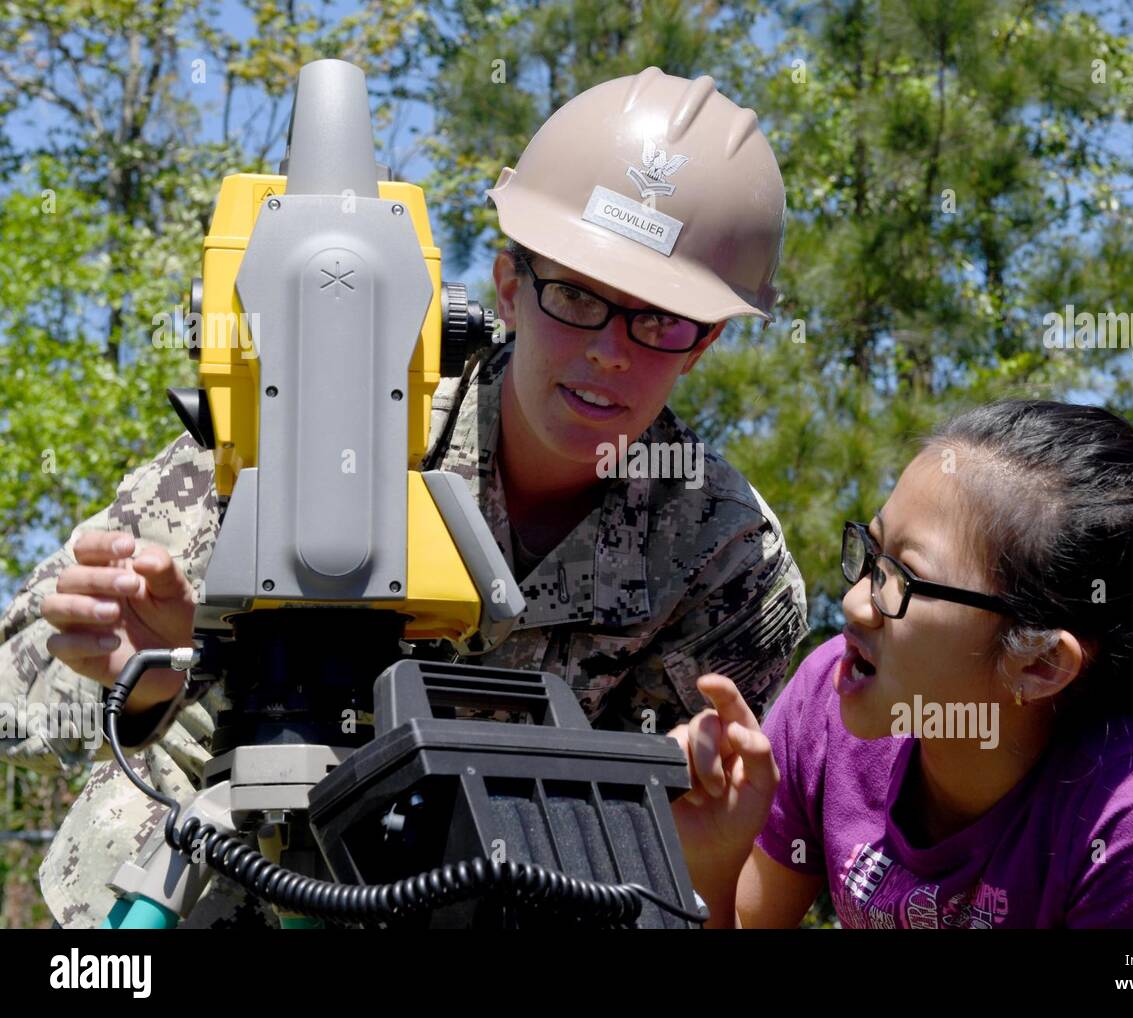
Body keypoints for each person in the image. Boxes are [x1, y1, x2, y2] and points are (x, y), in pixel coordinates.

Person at [0, 66, 808, 928]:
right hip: (189, 892)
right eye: (575, 294)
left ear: (705, 342)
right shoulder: (314, 409)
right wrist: (146, 678)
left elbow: (680, 867)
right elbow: (23, 687)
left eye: (658, 318)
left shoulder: (726, 562)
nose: (609, 349)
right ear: (506, 286)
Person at [668, 400, 1133, 928]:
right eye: (871, 553)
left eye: (905, 580)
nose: (856, 602)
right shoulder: (830, 701)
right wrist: (713, 862)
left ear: (1040, 663)